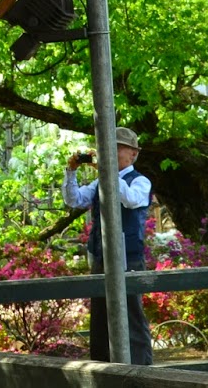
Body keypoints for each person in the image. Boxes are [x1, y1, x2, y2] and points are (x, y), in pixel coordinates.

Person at [63, 127, 153, 366]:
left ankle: (142, 371)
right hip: (101, 256)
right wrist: (71, 171)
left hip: (129, 257)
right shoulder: (99, 181)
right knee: (100, 316)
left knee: (132, 314)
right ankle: (102, 369)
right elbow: (74, 199)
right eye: (106, 148)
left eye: (116, 148)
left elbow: (131, 199)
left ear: (133, 154)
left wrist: (108, 172)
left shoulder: (141, 181)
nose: (108, 153)